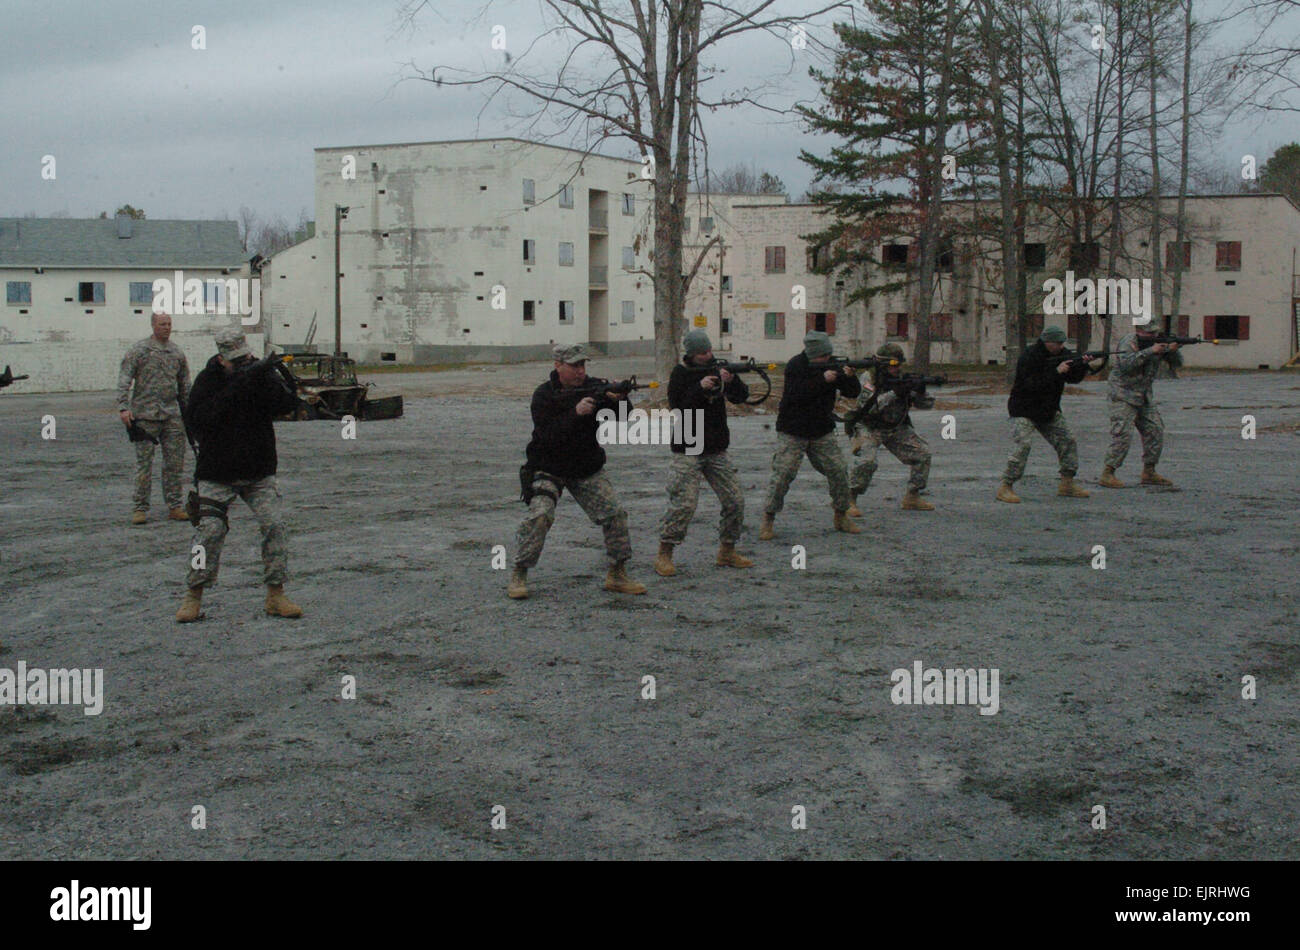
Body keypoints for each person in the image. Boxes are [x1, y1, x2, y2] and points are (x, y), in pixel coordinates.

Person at [175, 327, 304, 623]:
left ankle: (276, 594)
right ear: (221, 358)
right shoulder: (208, 381)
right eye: (236, 360)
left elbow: (286, 406)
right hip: (217, 472)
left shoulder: (259, 375)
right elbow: (200, 421)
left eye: (245, 358)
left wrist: (270, 377)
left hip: (257, 471)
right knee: (210, 531)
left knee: (275, 525)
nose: (241, 363)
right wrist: (237, 385)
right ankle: (193, 594)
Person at [508, 343, 646, 599]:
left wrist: (621, 398)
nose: (580, 371)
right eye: (574, 366)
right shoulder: (544, 395)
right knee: (540, 516)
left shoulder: (596, 387)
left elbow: (624, 416)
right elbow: (547, 435)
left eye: (583, 365)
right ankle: (520, 572)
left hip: (585, 467)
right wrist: (576, 413)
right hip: (549, 467)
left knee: (615, 515)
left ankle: (617, 573)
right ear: (558, 365)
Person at [655, 329, 754, 577]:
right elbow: (678, 408)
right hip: (688, 447)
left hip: (716, 447)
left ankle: (727, 550)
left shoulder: (719, 368)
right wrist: (700, 388)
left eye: (709, 350)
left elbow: (742, 397)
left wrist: (730, 381)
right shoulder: (680, 374)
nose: (707, 355)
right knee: (684, 504)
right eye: (702, 352)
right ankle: (665, 553)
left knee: (735, 500)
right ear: (691, 354)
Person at [759, 330, 862, 539]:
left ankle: (841, 515)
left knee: (839, 470)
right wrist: (822, 380)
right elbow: (796, 395)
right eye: (822, 356)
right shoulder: (796, 365)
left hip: (821, 429)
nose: (826, 359)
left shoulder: (833, 364)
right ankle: (768, 519)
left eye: (827, 355)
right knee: (783, 474)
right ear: (812, 354)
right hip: (793, 430)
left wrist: (850, 378)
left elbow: (852, 392)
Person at [996, 326, 1105, 503]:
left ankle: (1067, 483)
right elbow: (1029, 384)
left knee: (1068, 441)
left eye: (1063, 343)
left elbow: (1073, 378)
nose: (1061, 347)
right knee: (1023, 445)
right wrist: (1055, 372)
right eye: (1058, 343)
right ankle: (1006, 486)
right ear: (1047, 342)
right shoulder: (1030, 356)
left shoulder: (1063, 354)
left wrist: (1083, 364)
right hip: (1023, 409)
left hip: (1047, 410)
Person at [117, 311, 190, 524]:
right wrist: (123, 407)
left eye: (168, 324)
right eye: (162, 324)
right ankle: (140, 508)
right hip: (144, 415)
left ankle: (175, 506)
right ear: (153, 325)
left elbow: (185, 383)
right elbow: (124, 378)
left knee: (174, 464)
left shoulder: (176, 352)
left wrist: (189, 411)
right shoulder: (139, 351)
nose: (166, 327)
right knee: (144, 464)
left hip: (172, 415)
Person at [847, 342, 936, 513]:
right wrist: (894, 393)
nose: (897, 368)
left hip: (894, 428)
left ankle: (913, 496)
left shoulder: (902, 379)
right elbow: (868, 406)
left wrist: (920, 392)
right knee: (867, 461)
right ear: (882, 364)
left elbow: (927, 405)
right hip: (868, 427)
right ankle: (850, 498)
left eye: (899, 364)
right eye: (893, 365)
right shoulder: (868, 378)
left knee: (923, 453)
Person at [1100, 325, 1179, 488]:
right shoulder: (1129, 343)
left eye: (1154, 332)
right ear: (1139, 331)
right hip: (1122, 394)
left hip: (1143, 395)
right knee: (1123, 433)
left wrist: (1171, 350)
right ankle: (1108, 473)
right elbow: (1127, 364)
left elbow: (1176, 364)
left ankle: (1149, 471)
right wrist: (1151, 350)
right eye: (1149, 333)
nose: (1152, 335)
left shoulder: (1157, 344)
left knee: (1155, 429)